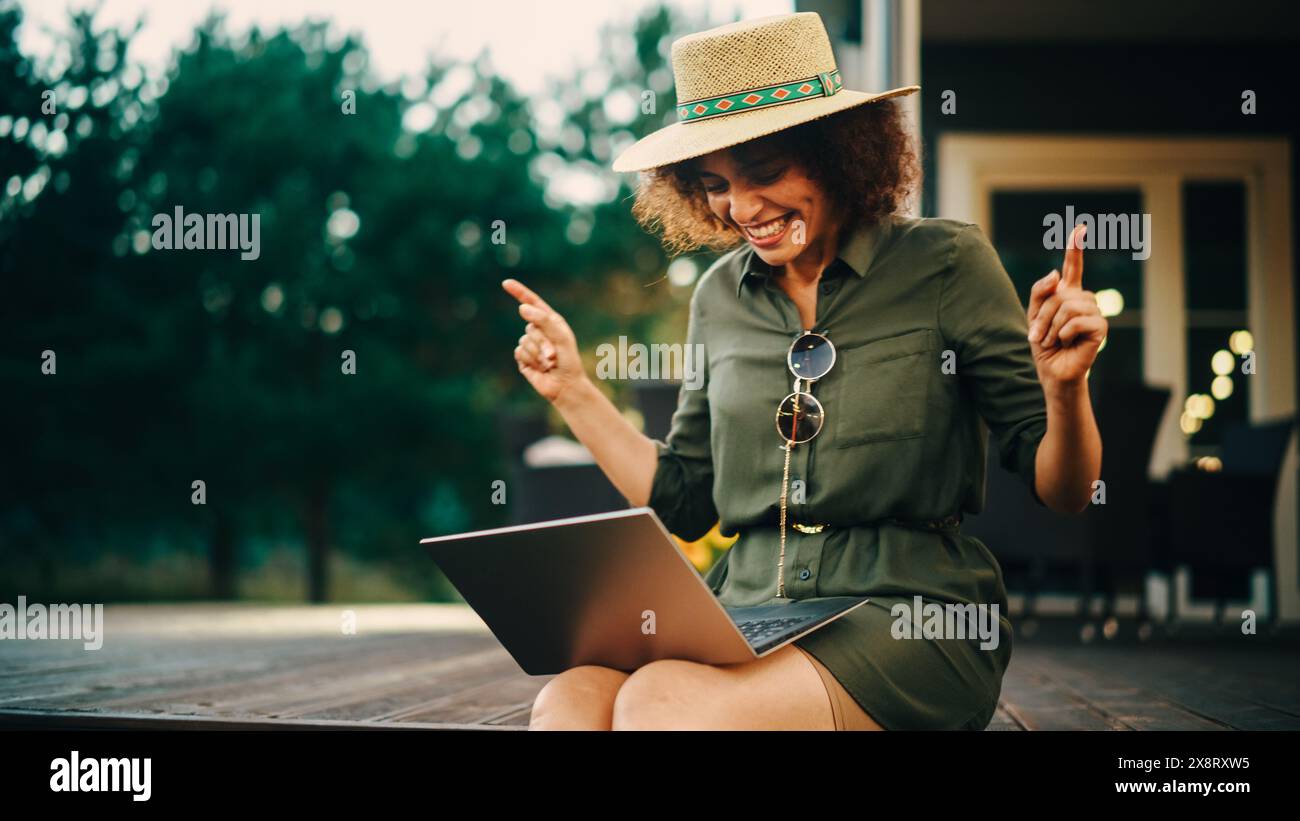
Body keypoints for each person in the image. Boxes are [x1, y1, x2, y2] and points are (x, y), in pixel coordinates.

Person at [503, 12, 1104, 730]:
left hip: (906, 614)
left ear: (840, 153)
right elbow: (689, 498)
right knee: (568, 699)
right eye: (715, 183)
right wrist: (573, 391)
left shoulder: (947, 264)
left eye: (763, 173)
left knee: (659, 701)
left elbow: (1066, 491)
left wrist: (1065, 388)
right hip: (749, 608)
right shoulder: (720, 296)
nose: (743, 208)